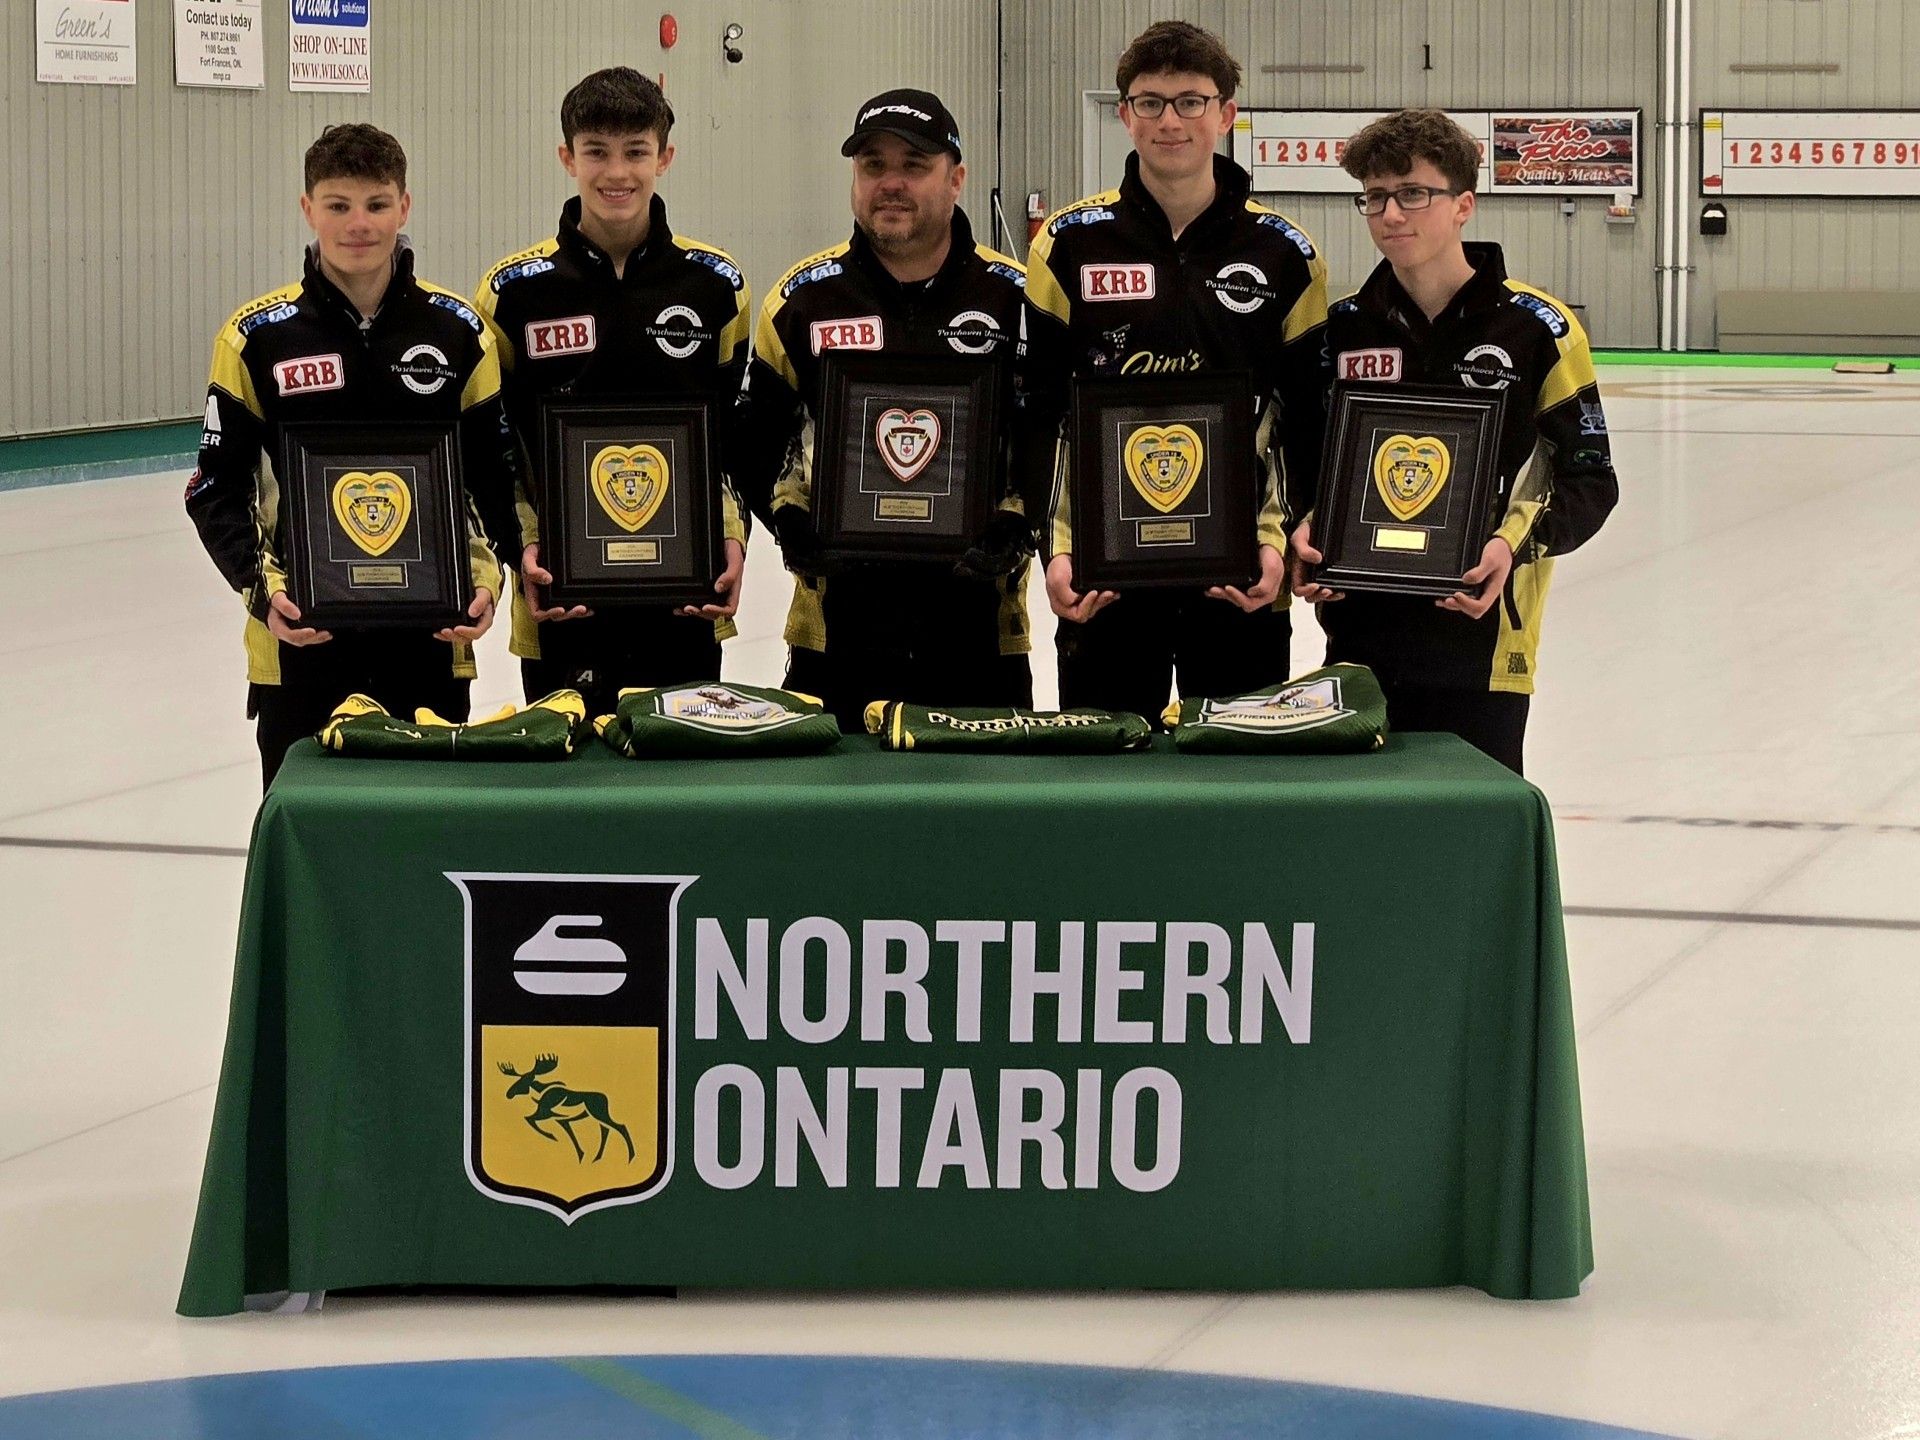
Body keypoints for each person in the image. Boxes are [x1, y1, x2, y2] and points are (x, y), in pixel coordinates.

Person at [1291, 108, 1619, 774]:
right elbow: (1312, 468)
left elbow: (1591, 482)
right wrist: (1307, 532)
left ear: (1464, 204)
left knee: (1467, 841)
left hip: (1483, 639)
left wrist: (1510, 546)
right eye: (1375, 197)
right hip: (1361, 639)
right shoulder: (1343, 333)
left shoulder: (1538, 331)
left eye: (1414, 193)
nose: (1391, 214)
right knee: (1367, 836)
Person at [185, 123, 513, 788]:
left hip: (430, 643)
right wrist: (263, 591)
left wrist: (485, 580)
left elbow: (491, 480)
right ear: (308, 209)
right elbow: (214, 489)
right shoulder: (255, 339)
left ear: (405, 206)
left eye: (376, 203)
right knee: (315, 846)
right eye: (338, 205)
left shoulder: (458, 333)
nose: (358, 224)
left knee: (427, 846)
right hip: (302, 645)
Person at [1022, 20, 1329, 722]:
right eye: (1151, 101)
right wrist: (1056, 549)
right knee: (1104, 787)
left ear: (1225, 114)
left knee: (1236, 791)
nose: (1171, 120)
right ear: (1125, 113)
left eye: (1191, 101)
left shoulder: (1285, 254)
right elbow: (1041, 413)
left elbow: (1303, 420)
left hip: (1239, 574)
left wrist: (1276, 547)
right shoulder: (1067, 245)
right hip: (1106, 575)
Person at [738, 88, 1034, 731]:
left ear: (956, 179)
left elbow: (1055, 440)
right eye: (873, 165)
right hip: (837, 630)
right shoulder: (800, 303)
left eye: (914, 165)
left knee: (987, 825)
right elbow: (752, 443)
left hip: (980, 629)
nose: (890, 183)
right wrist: (790, 524)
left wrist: (1020, 525)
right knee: (834, 824)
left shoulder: (1018, 300)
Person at [474, 67, 750, 716]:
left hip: (685, 597)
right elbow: (493, 446)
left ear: (666, 157)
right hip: (561, 599)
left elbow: (732, 438)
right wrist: (523, 547)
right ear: (567, 157)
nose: (616, 172)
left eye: (636, 151)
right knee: (568, 803)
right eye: (596, 151)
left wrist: (731, 536)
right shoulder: (513, 293)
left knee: (675, 797)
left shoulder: (715, 287)